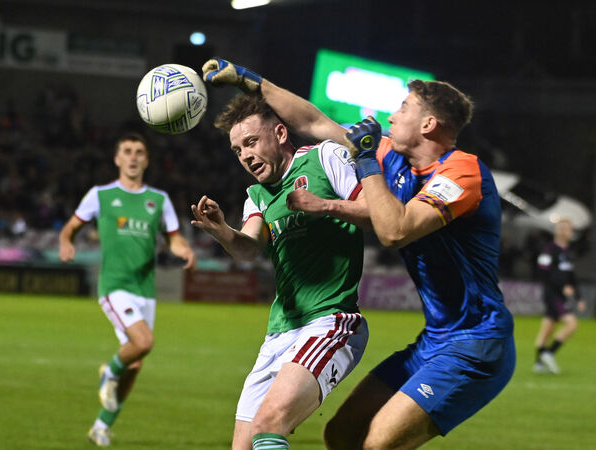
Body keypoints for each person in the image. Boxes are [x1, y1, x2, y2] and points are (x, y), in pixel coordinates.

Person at [202, 58, 515, 449]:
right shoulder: (393, 160)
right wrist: (249, 81)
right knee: (342, 433)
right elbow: (314, 121)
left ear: (428, 125)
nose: (392, 115)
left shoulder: (462, 173)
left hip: (476, 343)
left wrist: (332, 196)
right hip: (434, 339)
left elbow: (395, 230)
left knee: (377, 443)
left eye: (403, 109)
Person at [189, 94, 370, 450]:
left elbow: (375, 210)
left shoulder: (323, 157)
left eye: (252, 142)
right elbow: (249, 249)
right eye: (238, 150)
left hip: (331, 321)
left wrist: (324, 206)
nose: (246, 155)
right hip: (279, 333)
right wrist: (222, 231)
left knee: (269, 425)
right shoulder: (257, 195)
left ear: (281, 134)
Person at [58, 132, 196, 446]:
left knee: (135, 362)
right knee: (143, 342)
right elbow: (72, 226)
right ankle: (109, 370)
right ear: (117, 158)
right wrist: (66, 242)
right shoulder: (100, 195)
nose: (133, 157)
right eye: (127, 151)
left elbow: (173, 236)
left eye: (139, 152)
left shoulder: (158, 200)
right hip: (115, 286)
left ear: (146, 160)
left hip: (145, 290)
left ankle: (101, 426)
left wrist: (183, 248)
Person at [533, 218, 585, 375]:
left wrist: (578, 297)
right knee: (571, 324)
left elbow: (572, 277)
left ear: (571, 232)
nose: (563, 231)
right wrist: (562, 287)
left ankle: (539, 364)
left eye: (567, 228)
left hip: (560, 295)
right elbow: (543, 274)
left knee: (547, 329)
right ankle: (548, 353)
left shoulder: (568, 253)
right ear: (555, 231)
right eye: (560, 227)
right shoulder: (549, 250)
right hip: (552, 294)